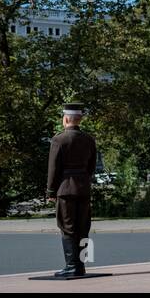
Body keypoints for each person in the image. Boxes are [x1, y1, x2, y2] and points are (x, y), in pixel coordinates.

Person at [46, 102, 97, 279]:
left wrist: (51, 191)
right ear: (79, 119)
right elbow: (91, 166)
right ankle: (81, 265)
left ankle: (71, 265)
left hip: (65, 189)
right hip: (84, 188)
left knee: (67, 227)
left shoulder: (59, 139)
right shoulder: (89, 139)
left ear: (66, 118)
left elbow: (53, 168)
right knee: (83, 227)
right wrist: (84, 179)